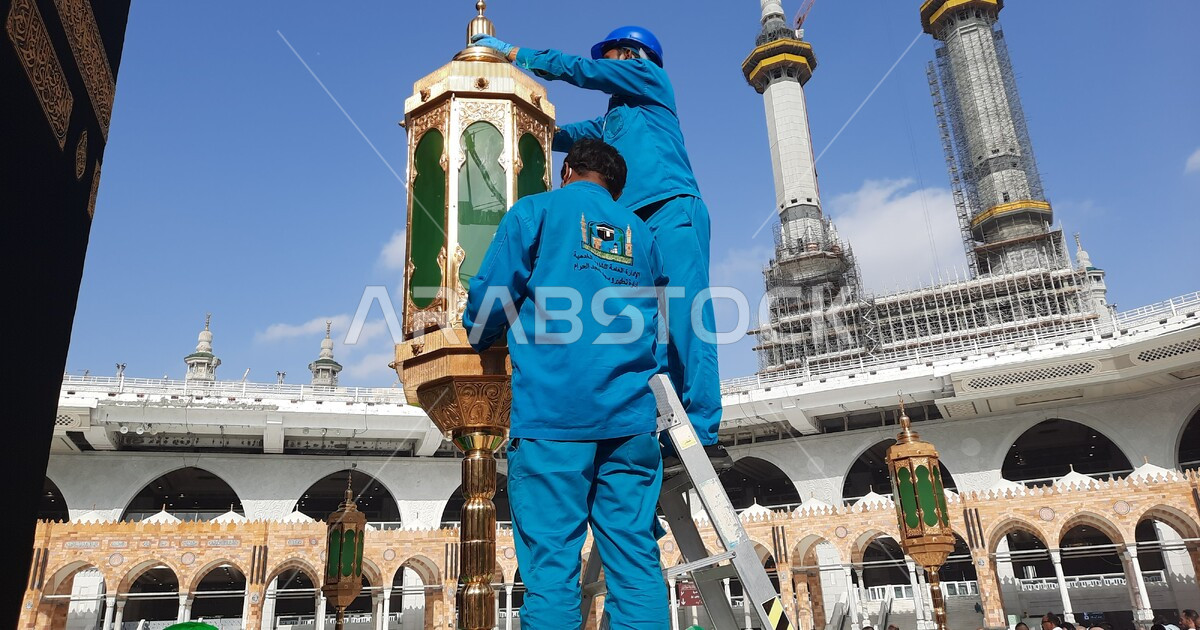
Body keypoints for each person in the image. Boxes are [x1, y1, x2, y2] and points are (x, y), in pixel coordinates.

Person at [470, 27, 732, 476]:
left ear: (634, 55)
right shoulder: (611, 123)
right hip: (632, 228)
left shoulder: (650, 81)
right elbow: (557, 135)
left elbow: (583, 71)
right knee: (652, 331)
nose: (609, 65)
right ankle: (669, 430)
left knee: (687, 318)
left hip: (671, 209)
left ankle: (704, 432)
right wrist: (504, 112)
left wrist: (517, 55)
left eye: (613, 57)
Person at [463, 138, 669, 629]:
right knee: (635, 559)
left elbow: (492, 299)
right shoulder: (643, 236)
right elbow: (657, 334)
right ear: (615, 189)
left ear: (567, 171)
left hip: (554, 419)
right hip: (631, 422)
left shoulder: (535, 212)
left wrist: (479, 332)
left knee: (552, 567)